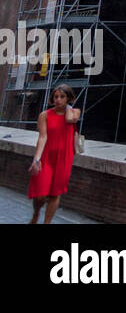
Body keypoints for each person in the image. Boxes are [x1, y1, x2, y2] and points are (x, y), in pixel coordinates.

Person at [28, 84, 80, 224]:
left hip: (64, 158)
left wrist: (67, 106)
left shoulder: (75, 112)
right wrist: (36, 159)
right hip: (47, 157)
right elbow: (42, 137)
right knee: (41, 194)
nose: (58, 99)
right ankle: (36, 213)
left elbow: (70, 120)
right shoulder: (44, 115)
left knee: (55, 193)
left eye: (62, 97)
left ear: (68, 98)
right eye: (56, 96)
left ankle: (47, 222)